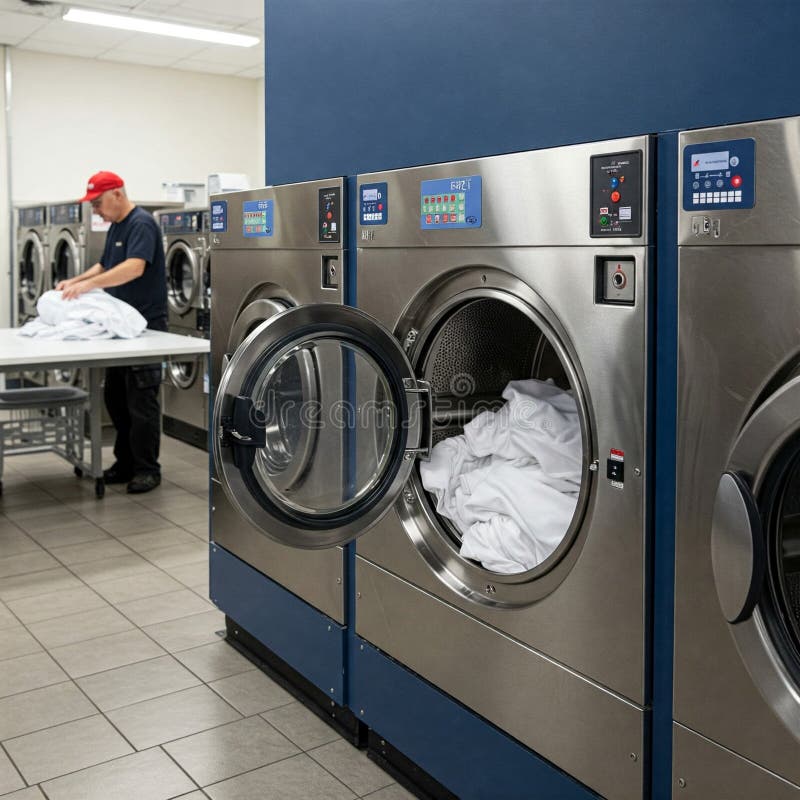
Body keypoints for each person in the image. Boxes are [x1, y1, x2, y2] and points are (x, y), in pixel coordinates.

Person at [56, 171, 167, 494]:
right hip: (121, 329)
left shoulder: (141, 223)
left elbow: (134, 267)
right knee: (116, 399)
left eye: (98, 203)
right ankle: (125, 463)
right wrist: (76, 283)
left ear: (117, 194)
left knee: (141, 401)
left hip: (146, 328)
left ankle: (148, 469)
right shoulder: (118, 225)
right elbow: (105, 266)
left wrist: (89, 286)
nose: (96, 211)